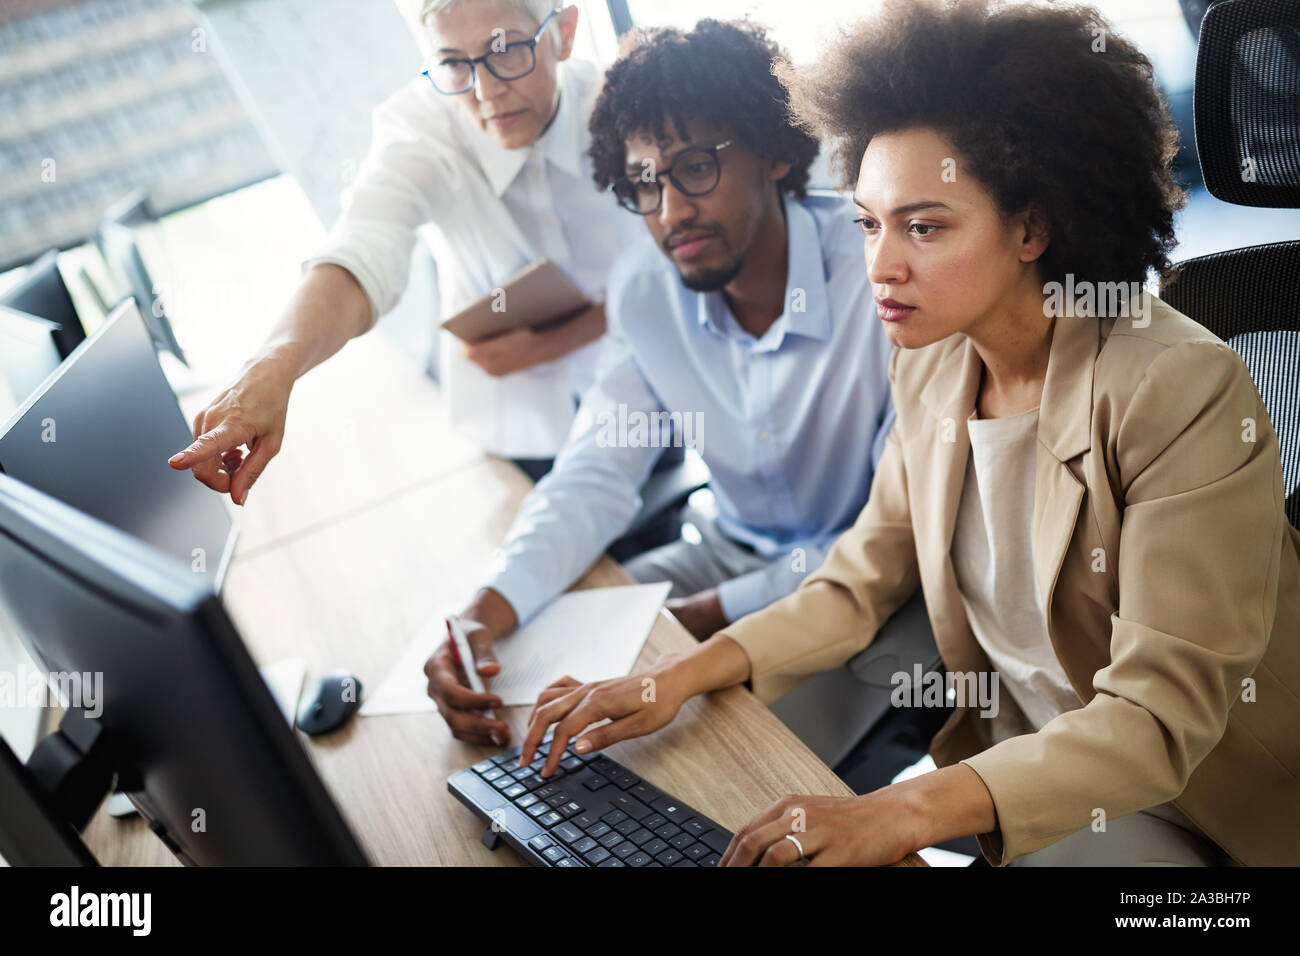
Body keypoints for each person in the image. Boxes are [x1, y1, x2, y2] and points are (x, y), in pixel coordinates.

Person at [515, 0, 1300, 866]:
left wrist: (904, 809)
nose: (881, 266)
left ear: (1034, 226)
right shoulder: (933, 362)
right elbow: (856, 581)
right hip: (1016, 758)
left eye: (923, 227)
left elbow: (1156, 721)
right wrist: (673, 677)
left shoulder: (1178, 388)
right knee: (723, 806)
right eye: (868, 223)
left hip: (1177, 794)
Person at [423, 20, 905, 748]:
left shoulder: (882, 278)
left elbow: (892, 542)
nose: (672, 212)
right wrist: (482, 615)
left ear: (775, 152)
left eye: (696, 169)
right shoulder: (647, 290)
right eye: (644, 184)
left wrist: (702, 619)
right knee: (530, 661)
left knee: (690, 763)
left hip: (871, 588)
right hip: (725, 550)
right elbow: (594, 473)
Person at [167, 0, 642, 498]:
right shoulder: (422, 127)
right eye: (455, 63)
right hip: (519, 426)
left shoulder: (627, 110)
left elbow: (690, 271)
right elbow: (366, 243)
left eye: (506, 51)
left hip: (643, 397)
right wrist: (273, 368)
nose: (485, 92)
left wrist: (564, 338)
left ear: (564, 32)